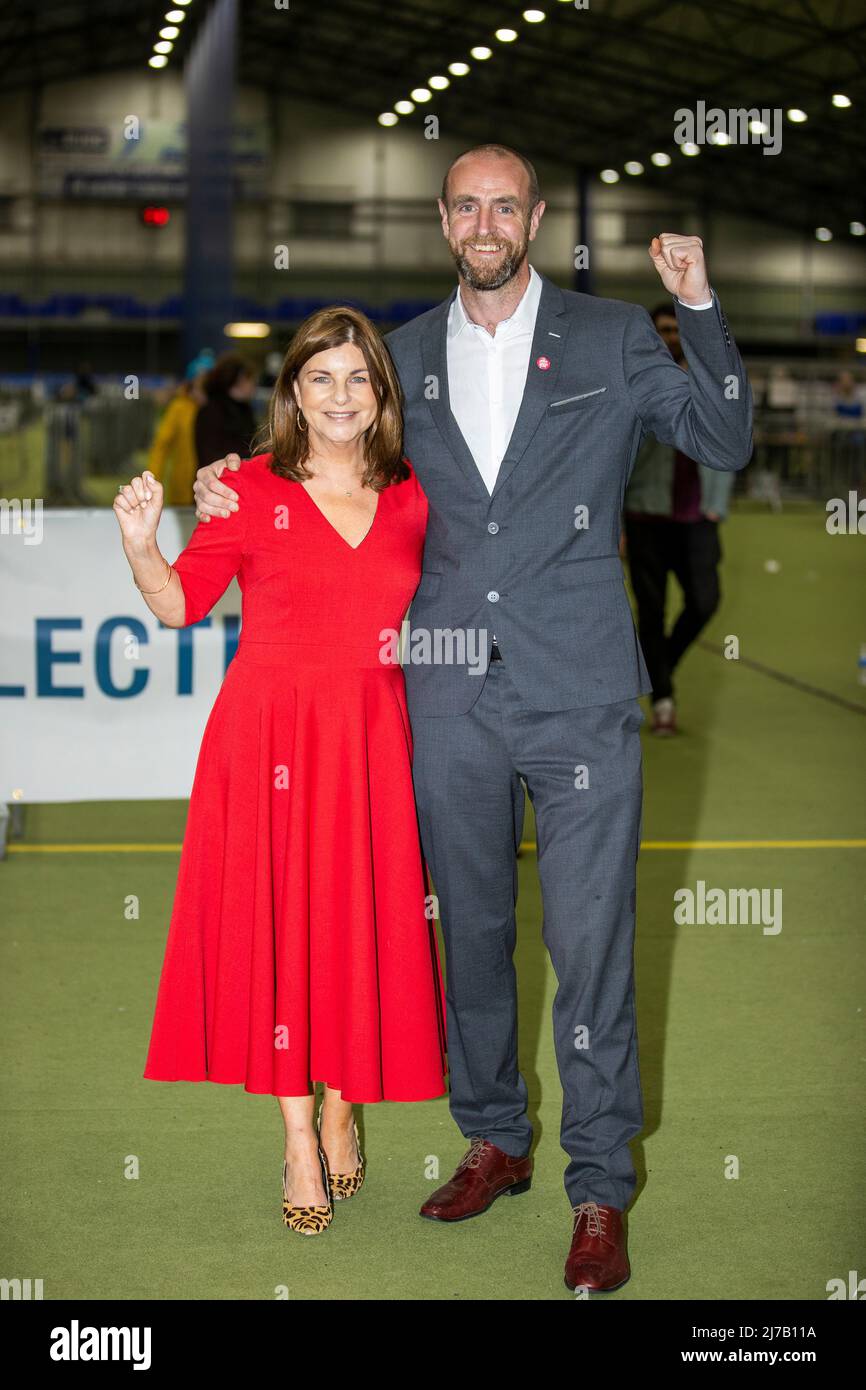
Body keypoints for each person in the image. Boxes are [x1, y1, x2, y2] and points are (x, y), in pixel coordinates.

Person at [193, 144, 753, 1291]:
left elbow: (723, 438)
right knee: (472, 939)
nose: (486, 221)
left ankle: (596, 1189)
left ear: (535, 217)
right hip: (443, 693)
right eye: (466, 205)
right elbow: (321, 463)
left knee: (590, 946)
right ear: (445, 222)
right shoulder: (395, 360)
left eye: (506, 204)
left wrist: (695, 304)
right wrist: (227, 486)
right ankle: (494, 1135)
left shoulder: (605, 336)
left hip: (583, 688)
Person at [113, 307, 447, 1237]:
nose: (340, 397)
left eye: (357, 379)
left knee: (355, 925)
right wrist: (144, 543)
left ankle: (346, 1104)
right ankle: (299, 1136)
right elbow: (181, 607)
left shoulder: (417, 492)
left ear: (380, 390)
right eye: (319, 379)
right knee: (281, 936)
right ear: (292, 391)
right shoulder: (247, 490)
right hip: (265, 740)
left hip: (374, 737)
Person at [623, 304, 738, 735]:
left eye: (675, 328)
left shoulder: (705, 381)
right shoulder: (634, 381)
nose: (670, 335)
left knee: (705, 601)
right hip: (645, 513)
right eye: (663, 329)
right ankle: (665, 700)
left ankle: (659, 668)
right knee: (651, 611)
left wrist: (718, 503)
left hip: (697, 515)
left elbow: (729, 439)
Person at [147, 363, 207, 505]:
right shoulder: (178, 408)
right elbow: (161, 446)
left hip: (210, 490)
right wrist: (152, 481)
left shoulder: (215, 410)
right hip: (183, 490)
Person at [193, 353, 258, 469]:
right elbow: (209, 455)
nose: (253, 385)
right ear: (239, 379)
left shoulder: (245, 410)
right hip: (219, 480)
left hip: (240, 479)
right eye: (250, 379)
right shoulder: (211, 411)